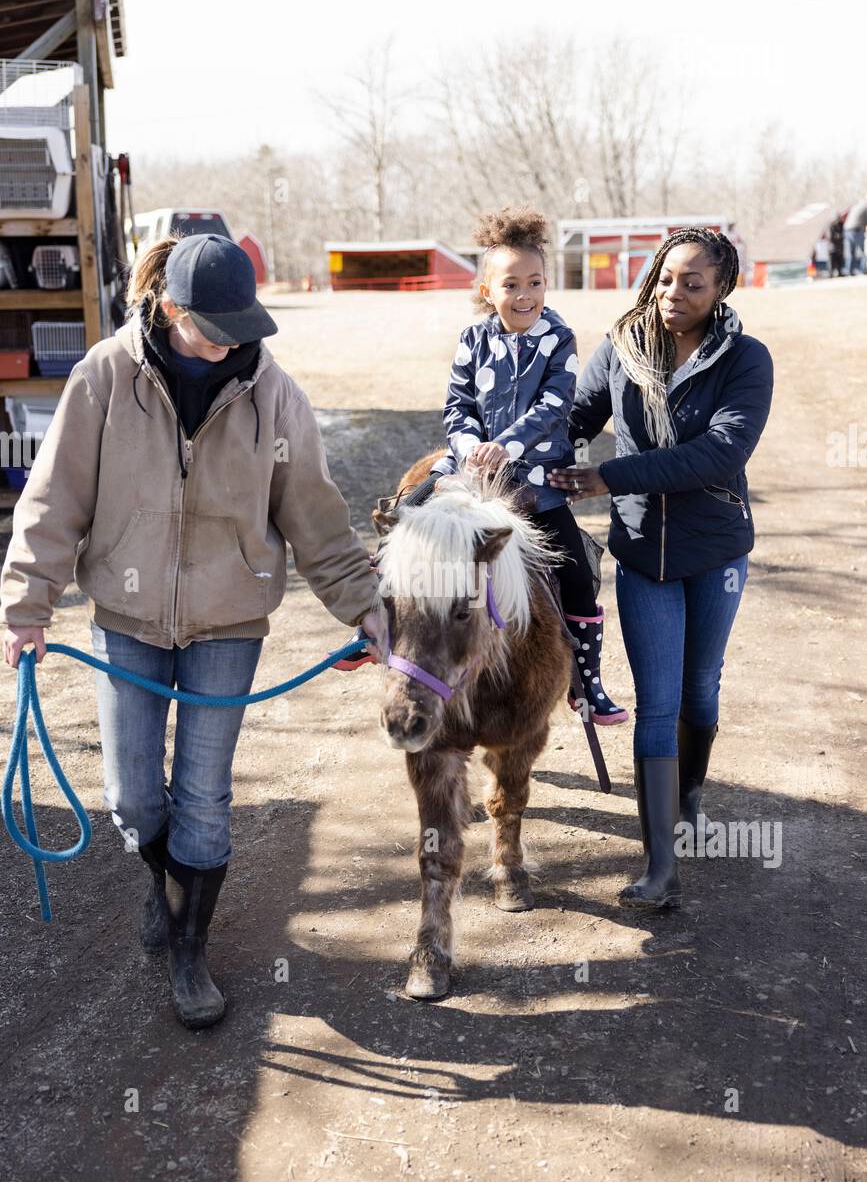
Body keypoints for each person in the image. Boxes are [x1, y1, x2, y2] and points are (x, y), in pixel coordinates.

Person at [1, 233, 381, 1029]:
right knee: (132, 798)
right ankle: (160, 883)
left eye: (243, 324)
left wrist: (366, 608)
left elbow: (316, 519)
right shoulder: (105, 375)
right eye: (216, 325)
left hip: (227, 625)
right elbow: (54, 496)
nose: (233, 340)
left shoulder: (273, 394)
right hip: (127, 621)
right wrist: (28, 605)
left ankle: (188, 947)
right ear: (170, 308)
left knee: (203, 798)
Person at [548, 228, 773, 909]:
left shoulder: (745, 360)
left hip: (714, 552)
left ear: (721, 290)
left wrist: (605, 477)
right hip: (643, 556)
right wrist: (513, 445)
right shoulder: (619, 349)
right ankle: (658, 868)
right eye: (666, 278)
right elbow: (573, 421)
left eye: (693, 284)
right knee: (656, 703)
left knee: (698, 690)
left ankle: (688, 801)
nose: (673, 294)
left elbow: (714, 455)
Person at [430, 207, 627, 724]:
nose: (525, 295)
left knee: (577, 573)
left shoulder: (557, 338)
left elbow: (554, 406)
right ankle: (371, 630)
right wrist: (472, 443)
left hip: (534, 479)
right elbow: (458, 405)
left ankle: (587, 682)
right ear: (486, 291)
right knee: (408, 520)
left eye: (535, 282)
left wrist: (507, 448)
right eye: (511, 284)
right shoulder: (474, 339)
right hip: (471, 470)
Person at [843, 198, 867, 276]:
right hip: (856, 230)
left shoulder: (856, 206)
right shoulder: (865, 207)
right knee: (865, 251)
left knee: (850, 253)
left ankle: (849, 271)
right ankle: (864, 270)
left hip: (847, 230)